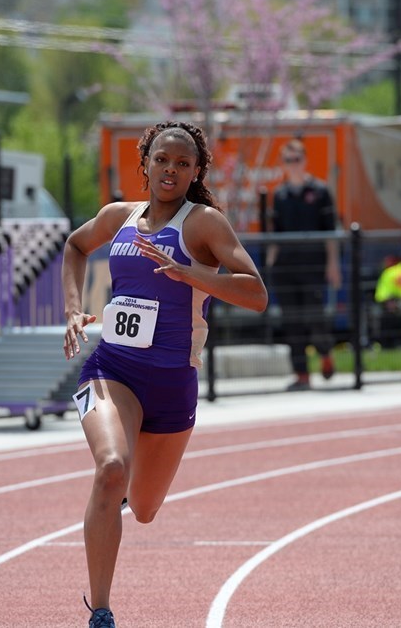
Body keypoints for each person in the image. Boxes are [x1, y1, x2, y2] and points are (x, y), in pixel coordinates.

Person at [62, 121, 267, 627]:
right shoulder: (118, 217)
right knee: (111, 469)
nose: (170, 169)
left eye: (181, 163)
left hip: (173, 382)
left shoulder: (204, 225)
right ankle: (101, 610)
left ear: (196, 170)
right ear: (145, 162)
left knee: (147, 508)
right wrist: (72, 309)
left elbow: (255, 293)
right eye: (161, 160)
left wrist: (191, 274)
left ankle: (127, 494)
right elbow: (74, 246)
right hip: (112, 368)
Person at [267, 138, 341, 391]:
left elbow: (331, 232)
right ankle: (301, 374)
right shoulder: (280, 194)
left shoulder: (320, 191)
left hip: (314, 264)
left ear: (305, 160)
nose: (293, 164)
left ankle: (325, 354)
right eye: (288, 160)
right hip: (286, 266)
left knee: (315, 316)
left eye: (297, 159)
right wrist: (268, 266)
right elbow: (275, 234)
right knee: (292, 320)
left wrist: (333, 265)